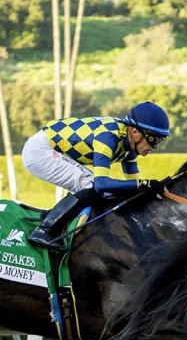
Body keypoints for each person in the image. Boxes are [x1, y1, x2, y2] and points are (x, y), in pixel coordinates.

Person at [22, 101, 171, 250]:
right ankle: (44, 231)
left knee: (102, 190)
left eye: (159, 140)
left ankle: (56, 217)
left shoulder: (130, 147)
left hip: (52, 147)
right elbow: (101, 184)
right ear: (135, 132)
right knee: (91, 185)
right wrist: (144, 185)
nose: (154, 146)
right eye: (153, 139)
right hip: (40, 150)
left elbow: (136, 186)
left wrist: (151, 190)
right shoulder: (108, 138)